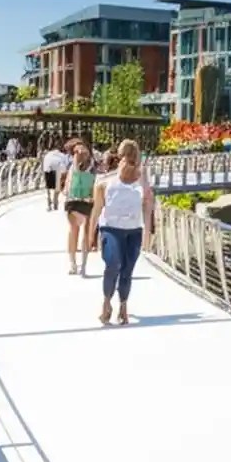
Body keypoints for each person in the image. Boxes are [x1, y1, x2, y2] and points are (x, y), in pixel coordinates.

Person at [88, 139, 153, 326]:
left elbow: (147, 208)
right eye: (127, 156)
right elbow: (96, 210)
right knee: (113, 264)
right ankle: (106, 303)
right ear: (119, 157)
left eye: (134, 157)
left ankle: (123, 305)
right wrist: (91, 235)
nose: (130, 160)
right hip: (111, 229)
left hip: (134, 231)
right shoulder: (104, 182)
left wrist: (147, 235)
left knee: (127, 270)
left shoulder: (142, 182)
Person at [61, 144, 96, 276]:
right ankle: (84, 265)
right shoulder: (92, 169)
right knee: (85, 233)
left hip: (72, 202)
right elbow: (94, 185)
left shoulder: (72, 168)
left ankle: (72, 264)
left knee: (72, 231)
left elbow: (67, 186)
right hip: (86, 202)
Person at [40, 142, 67, 210]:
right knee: (57, 188)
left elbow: (43, 166)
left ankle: (49, 203)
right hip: (58, 169)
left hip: (48, 169)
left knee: (49, 188)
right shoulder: (62, 155)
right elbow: (65, 165)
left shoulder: (47, 155)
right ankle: (55, 202)